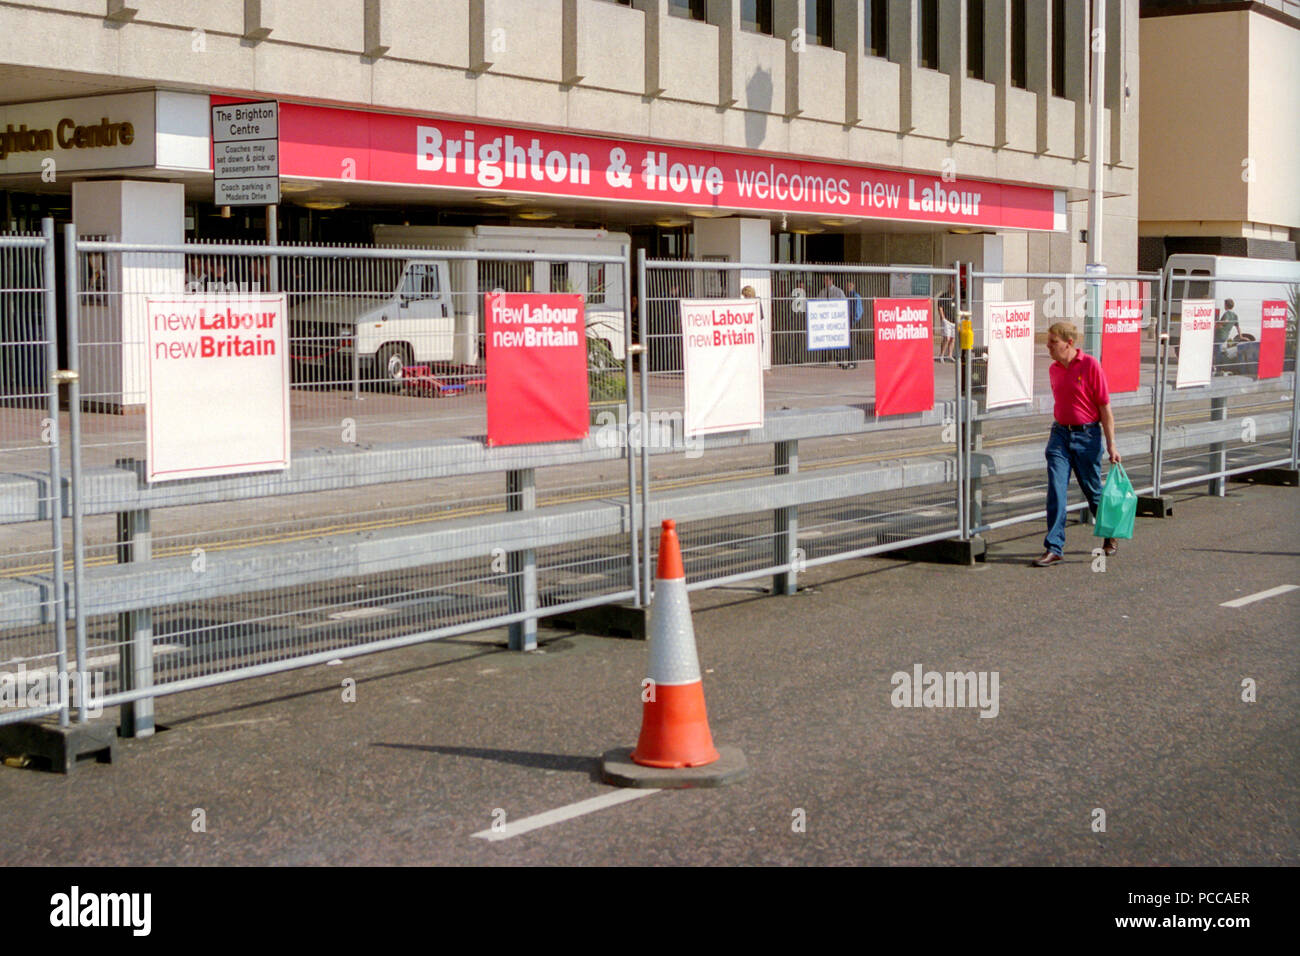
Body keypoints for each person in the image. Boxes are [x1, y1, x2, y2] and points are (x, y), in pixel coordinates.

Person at [1033, 321, 1121, 567]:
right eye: (1048, 341)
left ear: (1069, 343)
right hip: (1060, 435)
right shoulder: (1054, 370)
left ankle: (1109, 534)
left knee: (1093, 491)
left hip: (1087, 436)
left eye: (1053, 342)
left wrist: (1112, 445)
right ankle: (1054, 547)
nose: (1048, 346)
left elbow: (1104, 408)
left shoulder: (1091, 365)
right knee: (1056, 491)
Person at [1213, 298, 1241, 375]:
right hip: (1225, 336)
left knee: (1216, 352)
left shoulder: (1227, 314)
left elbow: (1224, 321)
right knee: (1218, 350)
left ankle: (1218, 369)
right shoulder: (1235, 315)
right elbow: (1238, 327)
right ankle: (1217, 367)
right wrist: (1241, 336)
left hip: (1219, 335)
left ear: (1226, 305)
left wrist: (1217, 325)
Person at [843, 279, 864, 369]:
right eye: (847, 286)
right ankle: (850, 362)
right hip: (848, 321)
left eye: (850, 285)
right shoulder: (847, 296)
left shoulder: (855, 296)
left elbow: (859, 310)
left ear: (853, 285)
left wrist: (854, 320)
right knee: (849, 342)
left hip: (853, 322)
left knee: (852, 343)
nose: (848, 287)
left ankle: (853, 363)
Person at [936, 280, 957, 363]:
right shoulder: (944, 296)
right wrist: (943, 318)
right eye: (952, 286)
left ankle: (950, 355)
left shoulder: (956, 298)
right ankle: (941, 355)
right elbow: (940, 307)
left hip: (954, 321)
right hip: (947, 320)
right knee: (947, 338)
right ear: (949, 287)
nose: (954, 288)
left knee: (953, 338)